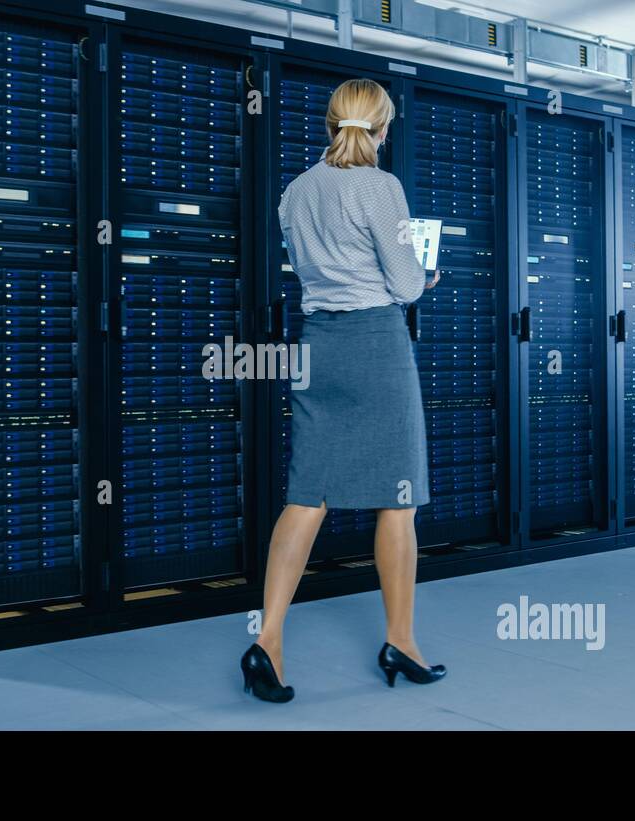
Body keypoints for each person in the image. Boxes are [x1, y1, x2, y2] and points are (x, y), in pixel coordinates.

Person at [240, 78, 446, 703]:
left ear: (331, 124)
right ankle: (402, 642)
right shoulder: (380, 188)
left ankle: (267, 640)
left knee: (308, 493)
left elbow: (308, 270)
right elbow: (406, 285)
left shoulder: (296, 191)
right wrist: (428, 273)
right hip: (377, 344)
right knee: (398, 497)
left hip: (316, 346)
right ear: (383, 129)